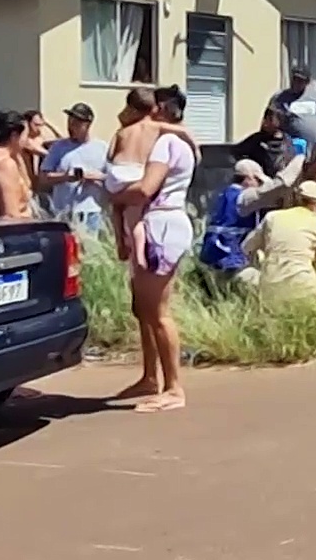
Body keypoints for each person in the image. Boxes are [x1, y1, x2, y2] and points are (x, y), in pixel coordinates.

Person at [116, 86, 198, 412]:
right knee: (144, 308)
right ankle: (151, 377)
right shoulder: (176, 140)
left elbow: (146, 188)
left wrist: (116, 196)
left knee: (158, 312)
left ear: (159, 108)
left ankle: (173, 388)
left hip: (162, 226)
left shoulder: (166, 143)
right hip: (161, 223)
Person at [103, 88, 197, 263]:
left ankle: (120, 243)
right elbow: (184, 132)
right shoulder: (156, 128)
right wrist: (195, 148)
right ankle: (139, 253)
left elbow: (110, 154)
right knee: (136, 215)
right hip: (137, 170)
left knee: (117, 208)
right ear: (154, 109)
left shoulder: (122, 131)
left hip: (117, 171)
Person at [240, 180, 316, 307]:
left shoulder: (272, 217)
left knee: (246, 275)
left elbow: (246, 247)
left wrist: (261, 259)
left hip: (270, 288)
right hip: (304, 288)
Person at [41, 103, 109, 233]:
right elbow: (44, 177)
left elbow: (111, 178)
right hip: (63, 211)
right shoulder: (58, 147)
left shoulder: (102, 148)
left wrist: (92, 177)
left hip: (91, 211)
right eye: (70, 122)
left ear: (87, 125)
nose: (71, 127)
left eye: (77, 124)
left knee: (89, 250)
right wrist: (65, 177)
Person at [199, 159, 265, 276]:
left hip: (211, 253)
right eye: (258, 180)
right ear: (248, 178)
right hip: (233, 258)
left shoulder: (220, 194)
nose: (259, 185)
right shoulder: (245, 197)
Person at [270, 65, 316, 157]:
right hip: (293, 148)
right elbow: (270, 121)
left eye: (300, 80)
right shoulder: (279, 98)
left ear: (307, 82)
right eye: (295, 79)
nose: (296, 83)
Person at [232, 107, 294, 177]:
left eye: (270, 119)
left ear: (279, 122)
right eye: (265, 119)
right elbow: (237, 153)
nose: (264, 123)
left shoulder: (287, 141)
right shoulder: (256, 139)